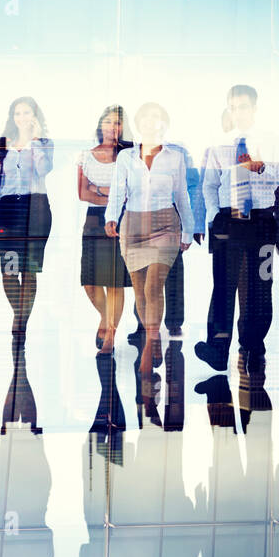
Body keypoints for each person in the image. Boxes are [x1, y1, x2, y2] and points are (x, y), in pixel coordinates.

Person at [196, 85, 279, 371]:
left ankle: (253, 345)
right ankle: (217, 350)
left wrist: (262, 168)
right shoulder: (217, 144)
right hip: (227, 220)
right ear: (229, 109)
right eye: (234, 107)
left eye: (245, 106)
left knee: (259, 288)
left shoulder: (271, 141)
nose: (240, 112)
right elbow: (209, 185)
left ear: (254, 108)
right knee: (223, 287)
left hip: (261, 220)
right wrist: (213, 217)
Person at [105, 102, 195, 375]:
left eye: (157, 118)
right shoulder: (126, 158)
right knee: (140, 288)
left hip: (165, 224)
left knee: (154, 286)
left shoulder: (174, 157)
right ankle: (150, 333)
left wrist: (188, 229)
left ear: (163, 123)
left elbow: (181, 194)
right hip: (133, 224)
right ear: (139, 123)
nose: (151, 122)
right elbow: (117, 191)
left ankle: (152, 341)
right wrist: (111, 216)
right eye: (146, 118)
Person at [0, 96, 53, 340]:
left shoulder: (44, 142)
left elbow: (43, 170)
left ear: (35, 116)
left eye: (27, 113)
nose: (22, 118)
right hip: (7, 210)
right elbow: (1, 179)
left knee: (28, 270)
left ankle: (21, 321)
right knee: (9, 269)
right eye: (18, 113)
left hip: (34, 207)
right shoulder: (3, 142)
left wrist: (35, 141)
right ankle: (20, 312)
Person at [79, 104, 132, 355]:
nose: (113, 127)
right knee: (90, 282)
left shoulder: (130, 155)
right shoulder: (85, 155)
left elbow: (129, 194)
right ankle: (104, 317)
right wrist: (109, 194)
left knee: (114, 282)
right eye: (109, 122)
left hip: (121, 221)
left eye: (118, 123)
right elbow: (82, 193)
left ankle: (111, 334)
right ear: (101, 125)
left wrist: (99, 191)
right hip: (93, 220)